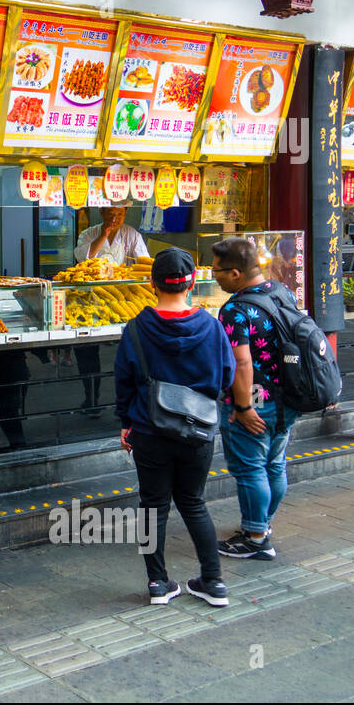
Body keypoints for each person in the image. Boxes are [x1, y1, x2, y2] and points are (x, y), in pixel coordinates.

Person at [115, 247, 235, 607]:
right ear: (192, 282)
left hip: (149, 431)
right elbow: (227, 376)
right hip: (198, 432)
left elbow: (124, 380)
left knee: (152, 506)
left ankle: (158, 584)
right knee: (193, 502)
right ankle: (213, 583)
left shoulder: (136, 328)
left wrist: (126, 423)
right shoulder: (212, 328)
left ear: (152, 284)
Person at [211, 236, 303, 560]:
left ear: (235, 273)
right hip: (288, 398)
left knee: (250, 469)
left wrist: (244, 406)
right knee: (274, 464)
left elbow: (241, 361)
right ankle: (261, 524)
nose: (214, 277)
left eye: (218, 271)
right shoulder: (282, 292)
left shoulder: (234, 309)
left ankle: (255, 538)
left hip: (256, 402)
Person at [75, 206, 148, 265]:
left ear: (125, 213)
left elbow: (144, 262)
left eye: (120, 214)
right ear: (101, 212)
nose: (114, 219)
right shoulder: (87, 234)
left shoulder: (133, 235)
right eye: (110, 214)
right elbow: (82, 258)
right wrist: (103, 236)